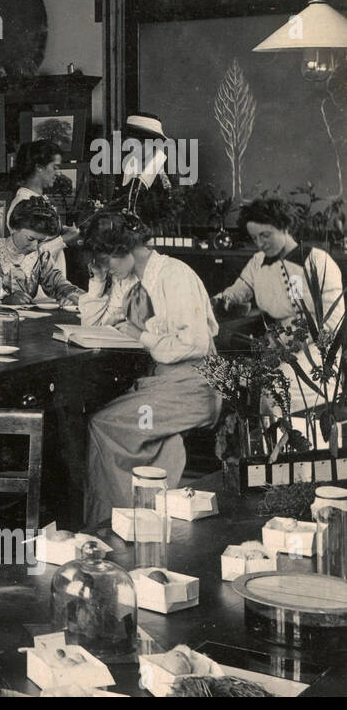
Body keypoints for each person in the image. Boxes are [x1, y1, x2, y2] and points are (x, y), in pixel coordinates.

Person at [83, 211, 223, 526]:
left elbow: (195, 344)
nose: (107, 267)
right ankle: (135, 518)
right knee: (127, 426)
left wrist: (141, 335)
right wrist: (96, 282)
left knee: (104, 424)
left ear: (123, 250)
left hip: (194, 386)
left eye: (107, 260)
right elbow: (95, 324)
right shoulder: (133, 280)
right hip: (165, 384)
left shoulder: (174, 275)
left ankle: (113, 523)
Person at [213, 197, 344, 415]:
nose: (260, 244)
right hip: (275, 346)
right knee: (236, 382)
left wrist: (291, 345)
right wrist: (221, 300)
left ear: (284, 226)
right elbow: (239, 290)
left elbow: (334, 320)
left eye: (265, 235)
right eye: (255, 238)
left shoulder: (318, 261)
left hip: (318, 352)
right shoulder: (258, 262)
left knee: (275, 389)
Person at [0, 197, 83, 308]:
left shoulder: (41, 255)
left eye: (40, 241)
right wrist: (4, 300)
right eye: (30, 239)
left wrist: (71, 295)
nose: (35, 246)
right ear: (14, 228)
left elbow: (59, 284)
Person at [9, 140, 78, 284]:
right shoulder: (23, 203)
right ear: (39, 167)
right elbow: (26, 256)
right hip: (37, 290)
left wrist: (62, 230)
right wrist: (64, 240)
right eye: (55, 167)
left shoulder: (38, 200)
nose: (58, 173)